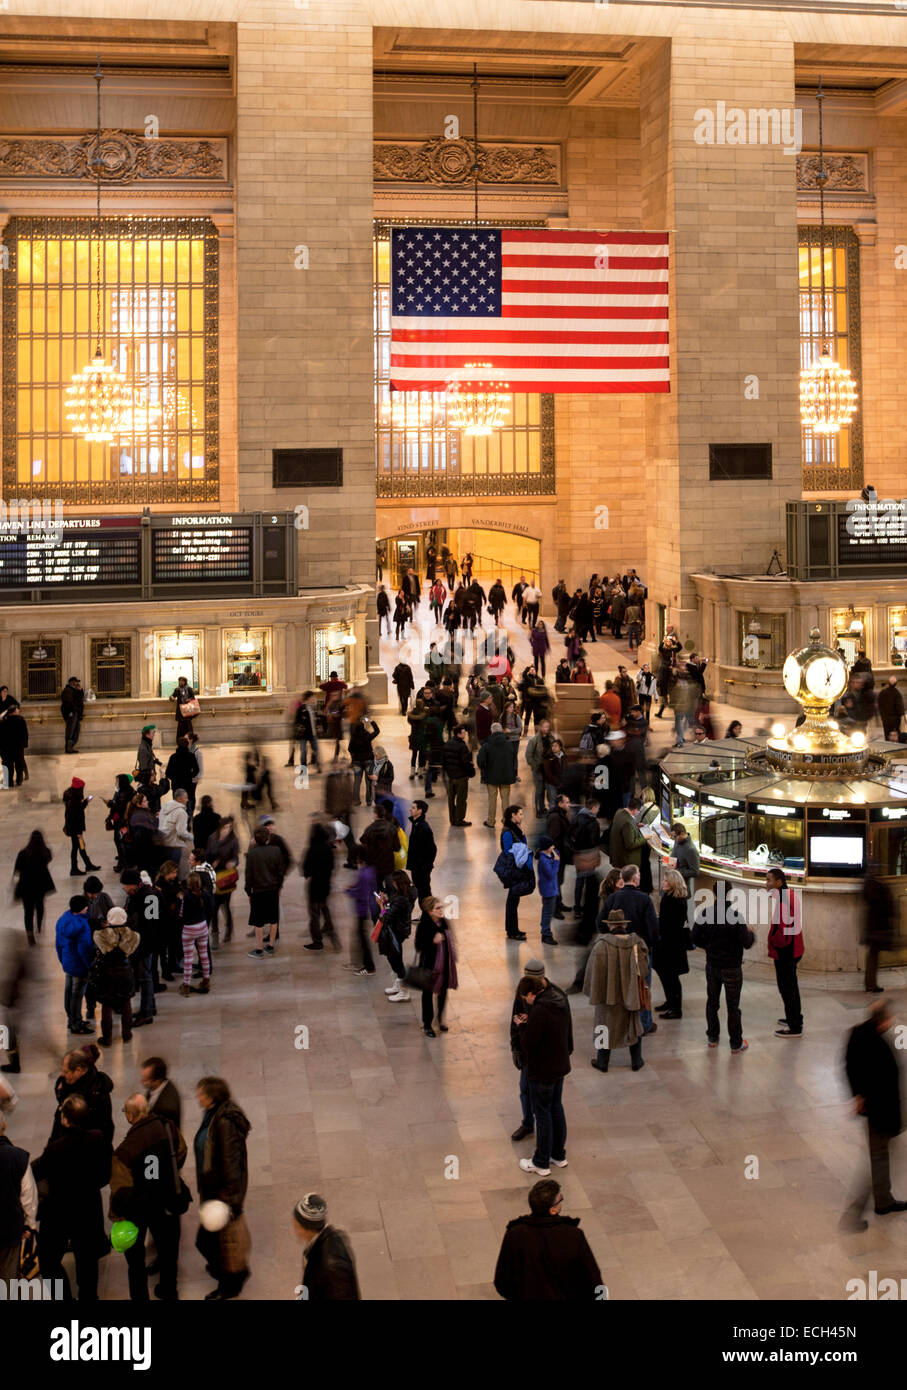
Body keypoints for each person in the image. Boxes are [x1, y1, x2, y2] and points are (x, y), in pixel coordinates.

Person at [30, 1093, 109, 1302]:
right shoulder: (98, 1138)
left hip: (59, 1212)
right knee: (87, 1260)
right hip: (88, 1209)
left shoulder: (56, 1149)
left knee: (48, 1259)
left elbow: (36, 1172)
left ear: (65, 1120)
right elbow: (105, 1174)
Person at [109, 1092, 187, 1302]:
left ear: (131, 1116)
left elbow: (120, 1190)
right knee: (168, 1251)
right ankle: (169, 1291)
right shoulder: (168, 1128)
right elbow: (181, 1151)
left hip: (138, 1210)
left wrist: (116, 1215)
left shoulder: (125, 1151)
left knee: (135, 1262)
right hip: (166, 1202)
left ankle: (140, 1297)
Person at [840, 1000, 907, 1231]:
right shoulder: (877, 1043)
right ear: (883, 1020)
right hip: (882, 1112)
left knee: (880, 1157)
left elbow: (849, 1065)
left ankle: (884, 1200)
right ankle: (854, 1214)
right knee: (877, 1161)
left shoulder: (857, 1034)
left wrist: (857, 1095)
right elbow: (885, 1083)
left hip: (873, 1109)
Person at [494, 1178, 602, 1301]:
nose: (561, 1202)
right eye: (560, 1200)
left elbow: (501, 1280)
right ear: (552, 1210)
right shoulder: (573, 1235)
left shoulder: (515, 1234)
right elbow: (594, 1279)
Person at [194, 1076, 252, 1301]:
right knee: (214, 1242)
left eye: (201, 1093)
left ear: (211, 1097)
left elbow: (230, 1164)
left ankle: (229, 1286)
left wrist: (228, 1201)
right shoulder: (214, 1114)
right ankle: (229, 1273)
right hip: (213, 1189)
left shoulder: (224, 1123)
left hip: (221, 1196)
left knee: (215, 1244)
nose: (197, 1096)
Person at [516, 972, 572, 1177]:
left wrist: (522, 1026)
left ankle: (541, 1162)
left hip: (542, 1070)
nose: (527, 1002)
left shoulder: (540, 1009)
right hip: (560, 1065)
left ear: (531, 993)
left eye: (526, 998)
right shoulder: (558, 997)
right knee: (556, 1108)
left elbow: (530, 1044)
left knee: (543, 1113)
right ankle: (558, 1154)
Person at [691, 880, 755, 1053]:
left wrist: (709, 946)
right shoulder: (736, 916)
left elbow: (694, 937)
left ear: (714, 894)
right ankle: (736, 1043)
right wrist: (751, 932)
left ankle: (713, 1037)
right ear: (729, 894)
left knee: (712, 1002)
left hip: (712, 965)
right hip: (732, 967)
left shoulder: (705, 913)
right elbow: (747, 943)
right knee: (733, 1005)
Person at [584, 909, 649, 1073]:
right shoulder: (637, 943)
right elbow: (644, 970)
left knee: (603, 1025)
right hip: (631, 995)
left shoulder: (601, 946)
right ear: (624, 925)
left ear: (611, 925)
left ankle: (602, 1062)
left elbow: (593, 974)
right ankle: (636, 1061)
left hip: (607, 996)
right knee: (633, 1025)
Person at [293, 1193, 361, 1300]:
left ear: (307, 1228)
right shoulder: (320, 1244)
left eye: (296, 1225)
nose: (295, 1229)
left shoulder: (332, 1265)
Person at [89, 905, 139, 1047]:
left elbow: (101, 947)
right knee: (126, 1003)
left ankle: (107, 1038)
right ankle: (127, 1034)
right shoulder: (133, 936)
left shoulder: (100, 935)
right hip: (125, 972)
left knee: (106, 1005)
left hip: (106, 973)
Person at [50, 1045, 114, 1152]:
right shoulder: (66, 1083)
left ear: (78, 1070)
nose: (62, 1074)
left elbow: (105, 1128)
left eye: (66, 1072)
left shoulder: (98, 1093)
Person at [0, 1107, 38, 1285]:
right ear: (4, 1126)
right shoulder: (18, 1157)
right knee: (8, 1281)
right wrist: (29, 1225)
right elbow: (28, 1195)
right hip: (9, 1229)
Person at [766, 867, 804, 1038]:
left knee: (787, 988)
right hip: (794, 949)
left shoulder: (784, 901)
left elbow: (783, 933)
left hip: (786, 952)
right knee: (791, 987)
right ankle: (795, 1018)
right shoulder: (789, 895)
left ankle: (794, 1026)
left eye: (769, 880)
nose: (766, 883)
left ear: (778, 882)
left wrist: (772, 941)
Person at [415, 895, 457, 1038]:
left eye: (441, 907)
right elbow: (418, 946)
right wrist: (433, 941)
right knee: (427, 995)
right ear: (429, 911)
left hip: (444, 963)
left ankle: (440, 1019)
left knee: (443, 992)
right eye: (437, 908)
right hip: (429, 966)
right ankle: (427, 1024)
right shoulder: (424, 926)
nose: (441, 910)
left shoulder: (443, 922)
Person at [54, 894, 96, 1035]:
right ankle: (76, 1024)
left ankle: (71, 1020)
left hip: (68, 962)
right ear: (83, 908)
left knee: (69, 992)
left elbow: (58, 944)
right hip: (80, 965)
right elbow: (84, 949)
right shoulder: (82, 925)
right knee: (77, 996)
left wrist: (63, 960)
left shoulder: (63, 920)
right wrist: (88, 965)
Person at [300, 814, 340, 952]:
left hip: (314, 886)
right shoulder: (329, 849)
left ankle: (317, 941)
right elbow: (334, 867)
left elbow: (305, 871)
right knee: (324, 907)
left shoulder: (312, 850)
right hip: (326, 885)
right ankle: (330, 929)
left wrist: (308, 873)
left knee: (314, 914)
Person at [245, 825, 286, 960]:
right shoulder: (276, 850)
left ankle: (259, 949)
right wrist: (279, 886)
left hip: (258, 891)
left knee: (259, 921)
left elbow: (248, 876)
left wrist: (249, 893)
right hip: (273, 890)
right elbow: (280, 871)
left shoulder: (251, 855)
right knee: (274, 918)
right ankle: (271, 946)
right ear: (267, 838)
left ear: (256, 840)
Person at [654, 869, 690, 1018]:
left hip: (671, 945)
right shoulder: (671, 897)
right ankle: (670, 1002)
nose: (663, 882)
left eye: (666, 881)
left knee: (671, 977)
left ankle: (676, 1008)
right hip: (670, 943)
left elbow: (670, 924)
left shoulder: (674, 900)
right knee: (666, 975)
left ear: (673, 883)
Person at [375, 871, 414, 1001]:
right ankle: (399, 983)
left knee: (396, 960)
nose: (391, 884)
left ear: (398, 883)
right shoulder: (402, 895)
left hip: (397, 932)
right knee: (393, 958)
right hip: (398, 930)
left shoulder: (401, 899)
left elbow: (386, 917)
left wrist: (381, 905)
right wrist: (385, 901)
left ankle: (404, 991)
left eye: (393, 882)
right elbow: (392, 909)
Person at [13, 830, 55, 945]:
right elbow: (48, 860)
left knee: (28, 911)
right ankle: (39, 925)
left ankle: (29, 933)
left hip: (26, 886)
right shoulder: (46, 852)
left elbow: (17, 869)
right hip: (40, 885)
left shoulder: (23, 853)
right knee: (40, 905)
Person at [207, 815, 240, 946]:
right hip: (214, 875)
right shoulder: (212, 838)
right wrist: (212, 862)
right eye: (225, 827)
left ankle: (229, 929)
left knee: (226, 905)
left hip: (226, 877)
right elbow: (208, 854)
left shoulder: (233, 840)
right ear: (220, 828)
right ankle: (215, 933)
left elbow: (236, 858)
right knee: (214, 906)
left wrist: (233, 862)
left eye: (229, 828)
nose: (227, 830)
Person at [862, 863, 895, 993]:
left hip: (873, 926)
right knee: (873, 956)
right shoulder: (876, 885)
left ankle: (870, 983)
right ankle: (871, 984)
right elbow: (882, 905)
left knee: (873, 955)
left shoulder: (869, 884)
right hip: (877, 926)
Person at [179, 871, 213, 998]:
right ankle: (206, 981)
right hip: (202, 927)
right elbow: (210, 908)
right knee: (204, 956)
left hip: (189, 929)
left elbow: (181, 914)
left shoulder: (187, 897)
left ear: (188, 885)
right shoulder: (205, 894)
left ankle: (186, 985)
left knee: (188, 959)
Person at [478, 721, 513, 829]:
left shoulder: (487, 745)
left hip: (491, 776)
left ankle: (491, 821)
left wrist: (485, 770)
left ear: (491, 731)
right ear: (502, 730)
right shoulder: (509, 744)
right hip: (506, 776)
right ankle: (507, 821)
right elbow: (513, 759)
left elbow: (480, 761)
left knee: (492, 800)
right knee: (505, 800)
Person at [63, 776, 100, 876]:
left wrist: (85, 802)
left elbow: (78, 810)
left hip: (73, 828)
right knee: (77, 847)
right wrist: (79, 832)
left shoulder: (72, 798)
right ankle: (75, 868)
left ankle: (88, 865)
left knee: (81, 847)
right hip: (75, 830)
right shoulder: (74, 801)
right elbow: (75, 817)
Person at [441, 723, 474, 827]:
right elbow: (465, 762)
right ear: (459, 734)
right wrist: (471, 771)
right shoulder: (462, 746)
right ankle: (459, 819)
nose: (465, 734)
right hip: (461, 777)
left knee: (451, 799)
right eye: (464, 732)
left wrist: (449, 772)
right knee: (461, 799)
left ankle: (452, 819)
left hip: (451, 776)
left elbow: (444, 761)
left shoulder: (447, 744)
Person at [158, 788, 194, 875]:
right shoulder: (181, 813)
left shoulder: (165, 806)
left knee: (165, 867)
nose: (187, 800)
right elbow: (181, 832)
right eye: (186, 798)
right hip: (174, 844)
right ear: (179, 799)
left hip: (163, 842)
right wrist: (191, 836)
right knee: (173, 868)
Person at [406, 799, 436, 903]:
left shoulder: (423, 827)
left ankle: (428, 916)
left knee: (424, 892)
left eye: (413, 808)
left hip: (421, 868)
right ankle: (425, 915)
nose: (410, 809)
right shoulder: (416, 824)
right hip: (417, 867)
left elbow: (432, 849)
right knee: (421, 892)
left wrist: (425, 866)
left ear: (420, 811)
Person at [141, 1056, 183, 1130]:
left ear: (157, 1081)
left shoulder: (166, 1108)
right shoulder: (158, 1086)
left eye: (146, 1080)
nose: (142, 1081)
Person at [609, 796, 646, 870]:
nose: (639, 813)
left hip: (617, 856)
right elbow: (630, 844)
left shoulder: (619, 812)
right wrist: (645, 838)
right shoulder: (627, 823)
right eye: (639, 811)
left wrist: (636, 825)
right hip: (626, 861)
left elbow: (623, 829)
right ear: (635, 809)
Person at [536, 836, 560, 946]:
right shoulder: (543, 861)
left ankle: (544, 925)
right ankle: (546, 933)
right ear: (546, 848)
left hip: (551, 889)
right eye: (551, 846)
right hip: (548, 890)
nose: (554, 847)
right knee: (548, 911)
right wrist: (556, 862)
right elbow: (551, 874)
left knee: (548, 910)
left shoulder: (547, 856)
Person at [669, 822, 699, 902]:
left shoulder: (690, 850)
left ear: (682, 834)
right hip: (672, 883)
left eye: (675, 836)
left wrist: (677, 872)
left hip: (681, 889)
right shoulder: (677, 841)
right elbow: (674, 855)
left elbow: (695, 871)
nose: (674, 839)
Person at [0, 701, 28, 786]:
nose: (18, 710)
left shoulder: (3, 721)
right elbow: (25, 733)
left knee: (8, 764)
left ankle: (8, 782)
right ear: (15, 711)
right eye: (17, 709)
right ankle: (19, 780)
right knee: (18, 764)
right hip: (18, 746)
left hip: (6, 747)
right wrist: (25, 744)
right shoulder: (21, 720)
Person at [165, 736, 199, 805]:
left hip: (176, 786)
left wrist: (174, 779)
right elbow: (197, 769)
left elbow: (168, 773)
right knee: (188, 806)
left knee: (177, 806)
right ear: (187, 745)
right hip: (188, 786)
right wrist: (190, 776)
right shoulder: (191, 756)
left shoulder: (173, 757)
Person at [169, 675, 197, 741]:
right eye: (180, 681)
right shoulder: (177, 689)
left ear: (185, 682)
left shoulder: (189, 689)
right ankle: (180, 740)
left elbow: (193, 697)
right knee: (180, 726)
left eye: (182, 681)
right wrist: (171, 698)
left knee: (188, 725)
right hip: (180, 711)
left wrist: (189, 699)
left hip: (188, 709)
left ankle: (190, 739)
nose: (181, 682)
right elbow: (172, 696)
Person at [61, 675, 84, 754]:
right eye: (76, 682)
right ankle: (68, 748)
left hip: (75, 713)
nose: (77, 683)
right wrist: (72, 712)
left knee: (76, 730)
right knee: (70, 730)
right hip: (71, 714)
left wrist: (80, 690)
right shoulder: (67, 691)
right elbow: (69, 703)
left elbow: (80, 699)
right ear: (72, 683)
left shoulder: (74, 690)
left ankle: (71, 746)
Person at [878, 675, 904, 740]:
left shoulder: (882, 692)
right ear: (896, 684)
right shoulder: (897, 694)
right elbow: (899, 707)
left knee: (887, 733)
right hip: (895, 719)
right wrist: (901, 715)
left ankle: (887, 747)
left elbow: (879, 703)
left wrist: (882, 715)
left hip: (885, 718)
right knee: (894, 736)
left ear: (888, 683)